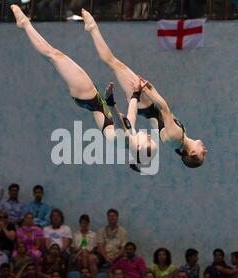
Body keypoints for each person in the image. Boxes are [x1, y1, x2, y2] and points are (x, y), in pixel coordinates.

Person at [10, 5, 157, 168]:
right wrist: (136, 94)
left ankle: (24, 23)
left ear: (138, 148)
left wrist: (111, 102)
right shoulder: (131, 135)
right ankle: (91, 28)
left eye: (149, 141)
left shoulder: (124, 141)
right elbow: (131, 115)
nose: (150, 137)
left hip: (89, 98)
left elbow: (118, 123)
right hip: (94, 97)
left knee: (55, 56)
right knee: (56, 56)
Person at [81, 9, 207, 168]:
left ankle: (92, 28)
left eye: (202, 154)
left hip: (145, 103)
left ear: (192, 154)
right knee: (115, 64)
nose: (205, 150)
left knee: (113, 63)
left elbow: (164, 107)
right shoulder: (180, 140)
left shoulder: (177, 137)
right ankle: (92, 28)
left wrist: (145, 90)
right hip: (146, 104)